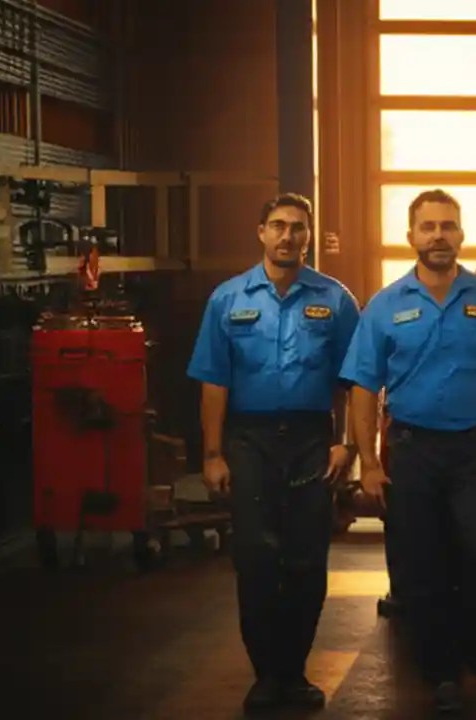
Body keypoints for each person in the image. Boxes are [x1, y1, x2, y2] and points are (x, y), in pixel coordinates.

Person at [340, 188, 476, 714]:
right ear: (411, 237)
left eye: (447, 226)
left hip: (475, 453)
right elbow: (363, 388)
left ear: (461, 235)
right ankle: (441, 671)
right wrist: (369, 462)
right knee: (422, 568)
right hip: (410, 452)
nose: (438, 236)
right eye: (428, 227)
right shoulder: (385, 306)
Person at [186, 193, 360, 714]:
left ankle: (294, 671)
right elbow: (213, 382)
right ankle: (265, 675)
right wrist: (212, 453)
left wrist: (346, 443)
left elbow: (355, 381)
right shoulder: (227, 299)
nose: (288, 236)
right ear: (260, 232)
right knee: (257, 559)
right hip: (249, 440)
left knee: (307, 560)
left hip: (311, 441)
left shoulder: (335, 300)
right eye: (278, 226)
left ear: (309, 236)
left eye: (298, 228)